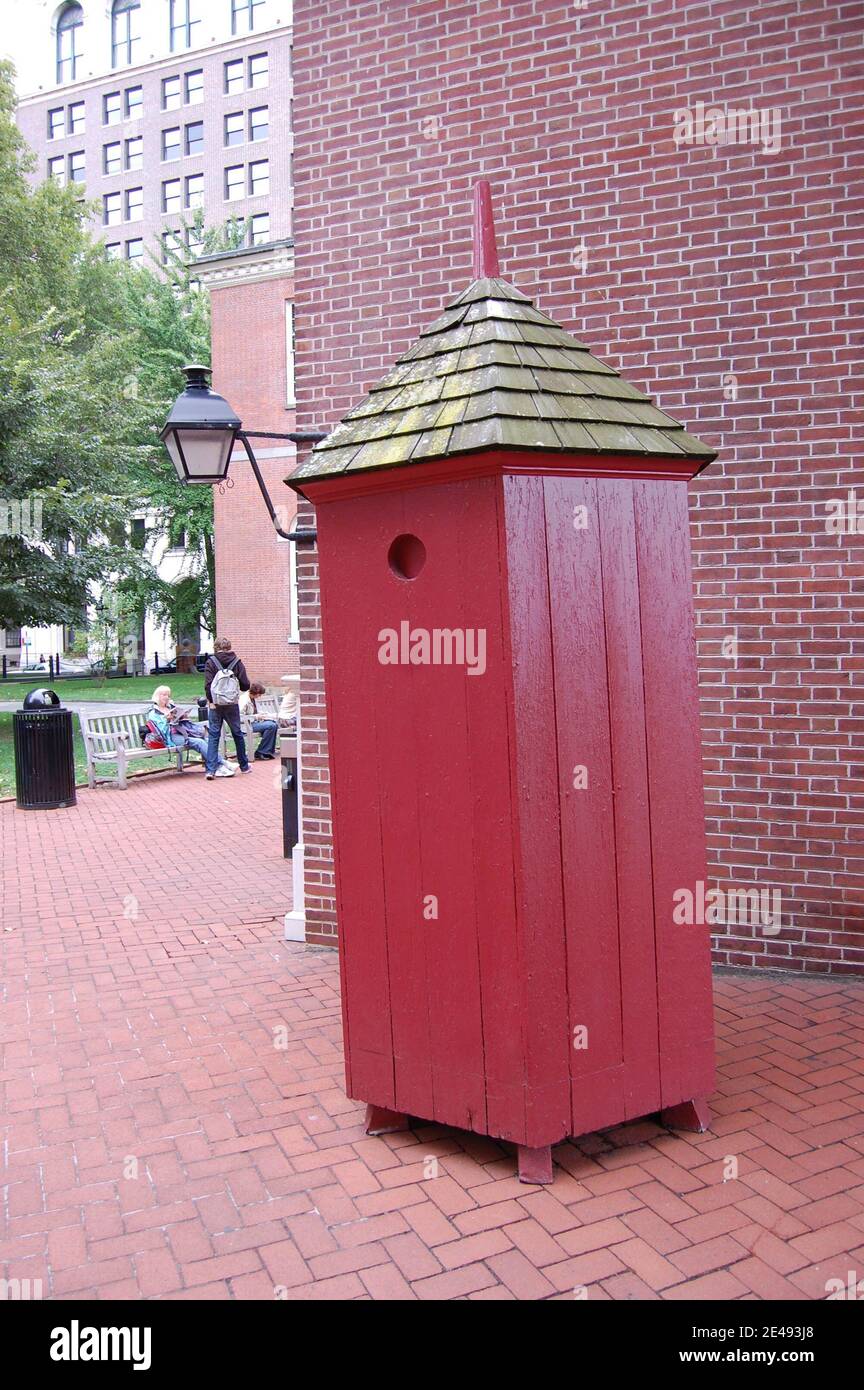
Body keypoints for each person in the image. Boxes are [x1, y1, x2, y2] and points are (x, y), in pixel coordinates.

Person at [147, 686, 236, 777]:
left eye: (168, 695)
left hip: (182, 732)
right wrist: (166, 720)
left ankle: (215, 768)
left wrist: (182, 716)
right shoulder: (154, 712)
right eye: (164, 695)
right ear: (157, 696)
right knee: (199, 742)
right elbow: (159, 731)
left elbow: (180, 721)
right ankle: (221, 764)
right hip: (170, 737)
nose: (166, 697)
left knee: (207, 740)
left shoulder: (170, 707)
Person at [203, 637, 251, 779]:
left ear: (216, 647)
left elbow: (208, 685)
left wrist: (211, 701)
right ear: (229, 647)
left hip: (216, 704)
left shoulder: (211, 662)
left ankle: (211, 769)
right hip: (232, 704)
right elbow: (245, 685)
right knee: (237, 733)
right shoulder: (237, 662)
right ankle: (244, 766)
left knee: (213, 735)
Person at [239, 682, 279, 760]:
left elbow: (252, 712)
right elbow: (240, 716)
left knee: (273, 724)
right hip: (246, 725)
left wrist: (261, 715)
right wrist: (256, 717)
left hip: (253, 722)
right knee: (271, 726)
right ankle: (262, 752)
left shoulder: (251, 698)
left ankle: (265, 751)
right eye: (259, 694)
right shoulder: (244, 700)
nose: (260, 697)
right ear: (255, 693)